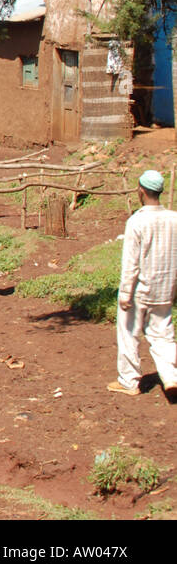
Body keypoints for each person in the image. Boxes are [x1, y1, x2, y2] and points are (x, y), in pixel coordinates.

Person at [109, 170, 177, 398]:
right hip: (165, 288)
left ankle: (129, 381)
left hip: (140, 289)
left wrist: (125, 294)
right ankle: (171, 376)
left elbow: (131, 264)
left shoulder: (136, 221)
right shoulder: (174, 219)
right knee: (163, 335)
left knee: (129, 334)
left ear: (141, 190)